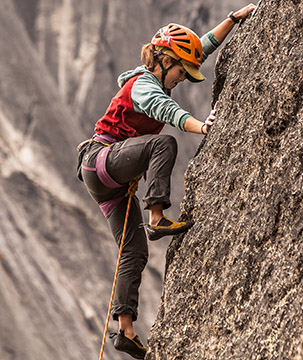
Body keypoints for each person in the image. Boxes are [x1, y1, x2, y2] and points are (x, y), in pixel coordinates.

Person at [77, 4, 256, 359]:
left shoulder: (160, 72)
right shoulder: (144, 86)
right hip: (102, 160)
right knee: (164, 142)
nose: (183, 78)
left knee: (134, 251)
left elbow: (199, 48)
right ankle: (156, 215)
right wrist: (202, 125)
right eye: (180, 71)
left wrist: (233, 21)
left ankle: (125, 330)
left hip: (106, 179)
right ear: (162, 59)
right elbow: (167, 112)